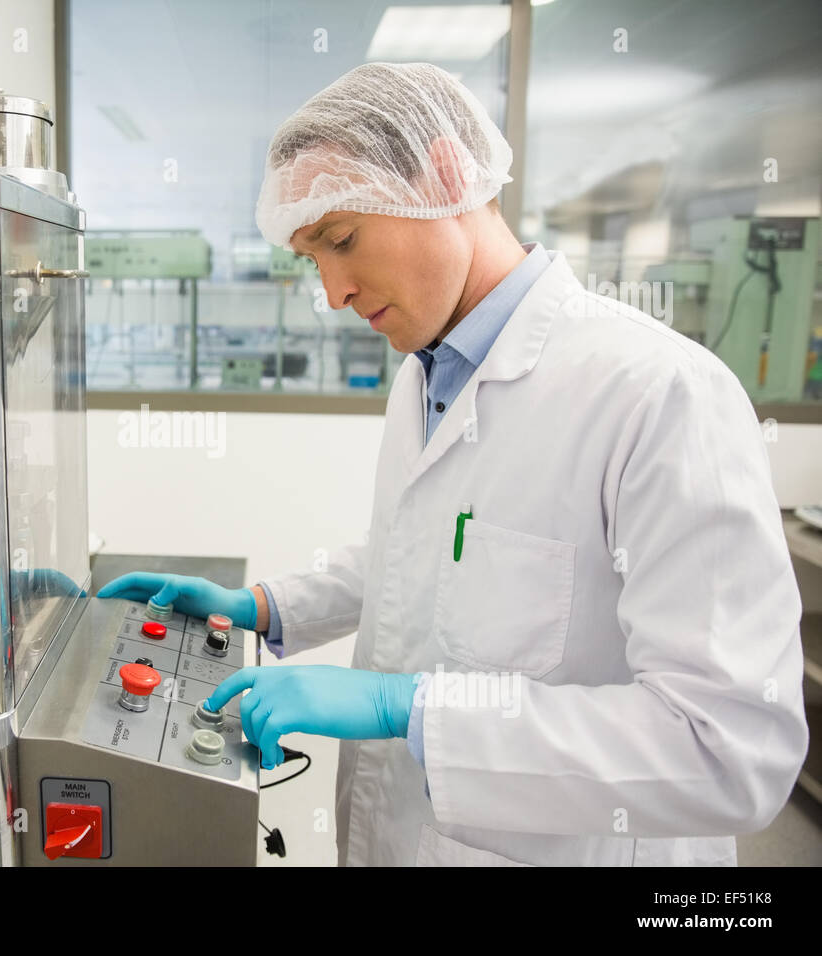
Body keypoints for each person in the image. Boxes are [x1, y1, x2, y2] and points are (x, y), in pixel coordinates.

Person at [98, 62, 808, 866]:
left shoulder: (659, 394)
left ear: (442, 175)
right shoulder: (429, 371)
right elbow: (427, 552)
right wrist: (264, 605)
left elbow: (729, 749)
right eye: (310, 257)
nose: (332, 291)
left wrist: (411, 709)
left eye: (340, 238)